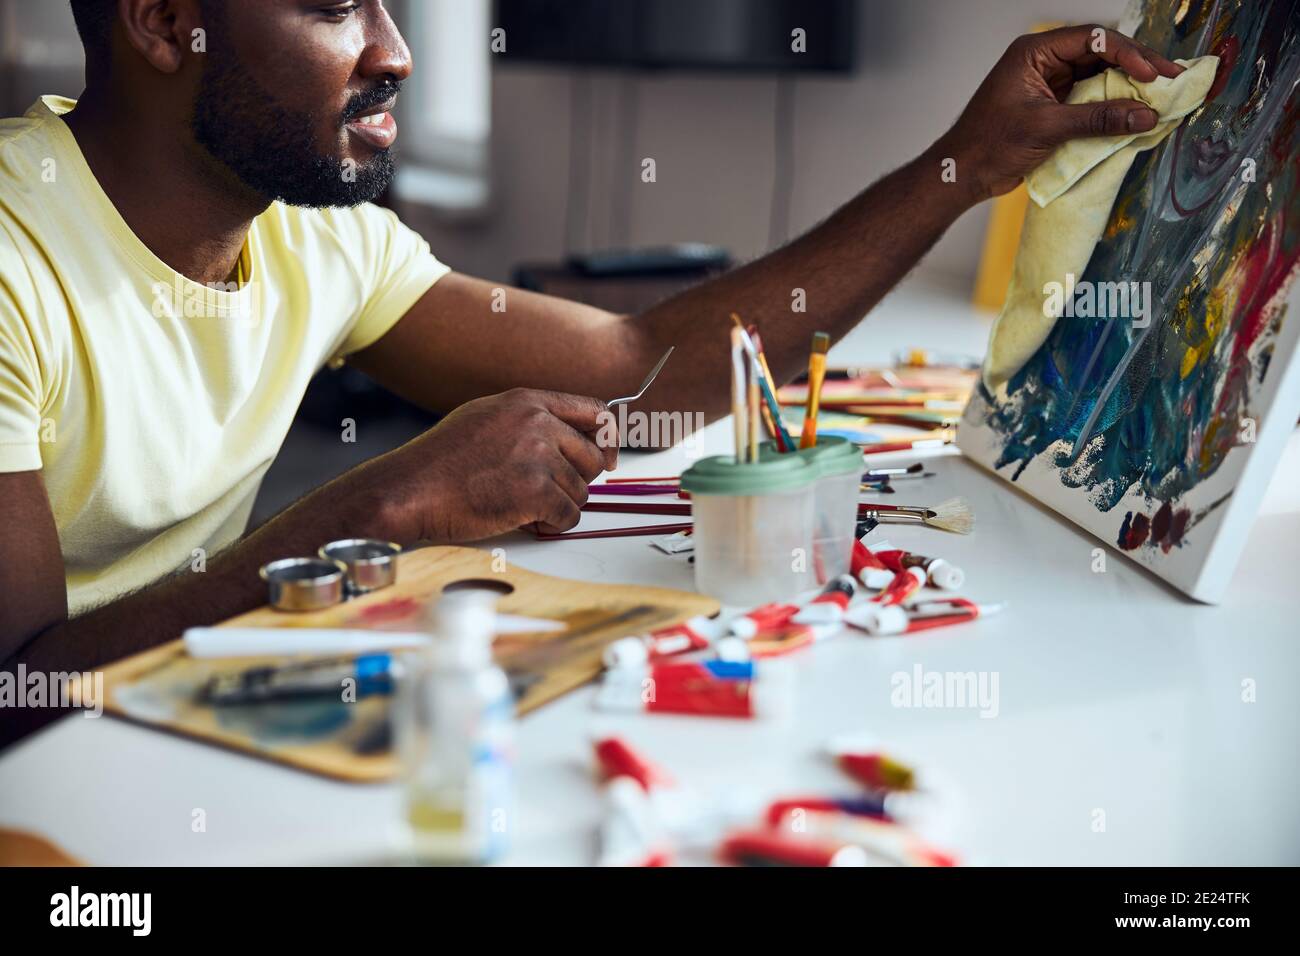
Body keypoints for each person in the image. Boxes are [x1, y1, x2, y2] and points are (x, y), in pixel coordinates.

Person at [0, 2, 1183, 683]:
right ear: (163, 21)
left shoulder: (318, 244)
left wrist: (964, 165)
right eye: (331, 4)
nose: (394, 50)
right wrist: (387, 505)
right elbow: (18, 689)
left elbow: (643, 367)